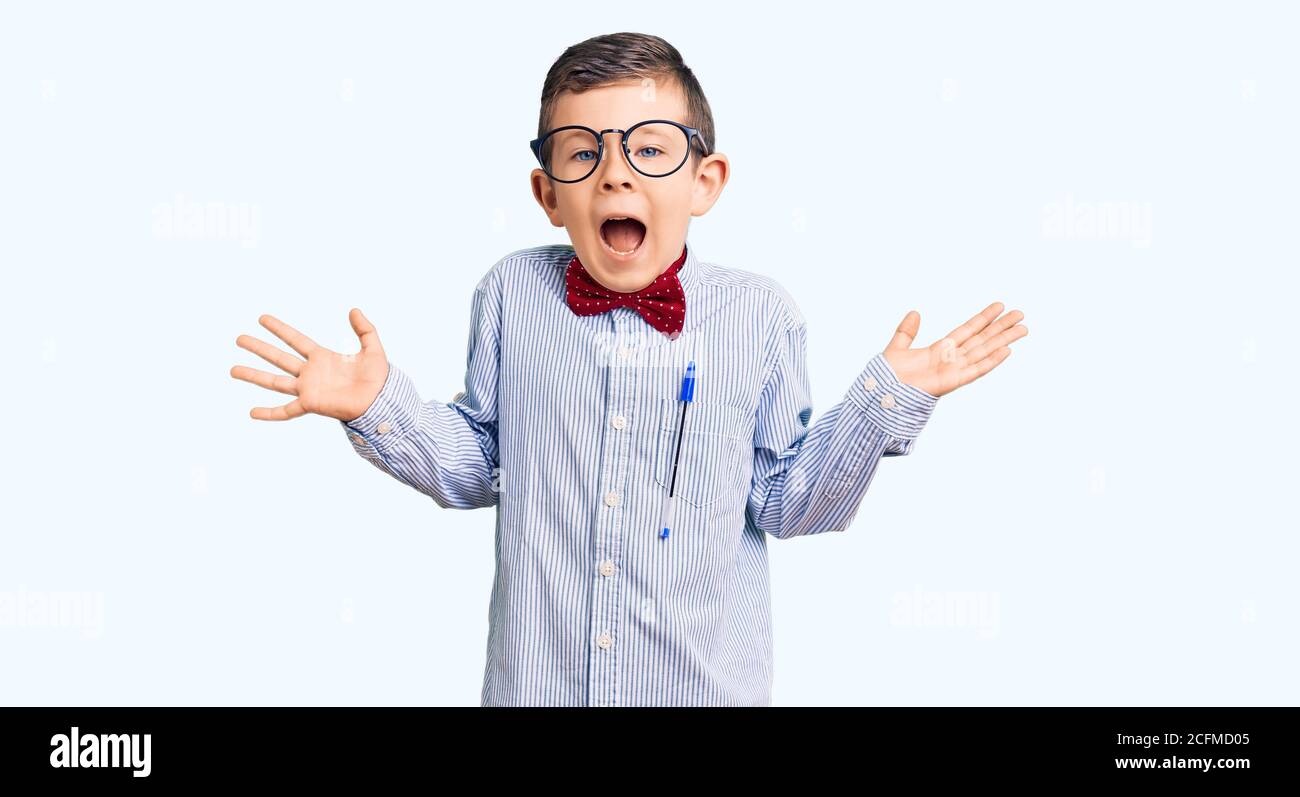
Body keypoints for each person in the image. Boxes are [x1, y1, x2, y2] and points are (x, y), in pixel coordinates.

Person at [229, 32, 1028, 706]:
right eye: (584, 153)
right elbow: (478, 464)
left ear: (703, 181)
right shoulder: (509, 292)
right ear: (547, 193)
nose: (616, 174)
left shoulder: (763, 316)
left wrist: (888, 400)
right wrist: (379, 405)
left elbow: (788, 502)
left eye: (649, 148)